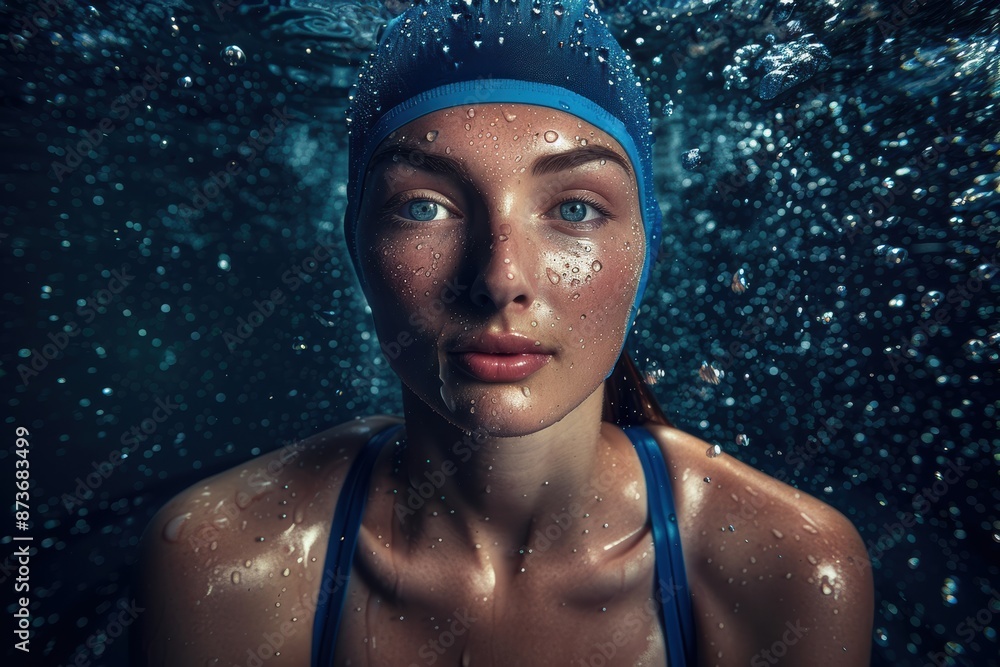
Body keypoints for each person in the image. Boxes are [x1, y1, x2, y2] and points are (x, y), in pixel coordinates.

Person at [136, 1, 874, 665]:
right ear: (357, 245)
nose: (500, 276)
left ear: (646, 246)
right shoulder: (225, 562)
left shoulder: (793, 572)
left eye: (576, 209)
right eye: (425, 207)